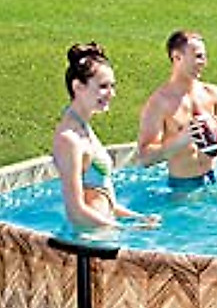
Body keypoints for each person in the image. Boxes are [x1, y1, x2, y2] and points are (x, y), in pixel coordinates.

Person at [53, 43, 158, 231]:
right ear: (78, 86)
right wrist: (125, 230)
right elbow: (75, 212)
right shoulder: (69, 140)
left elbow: (103, 198)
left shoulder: (83, 128)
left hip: (103, 232)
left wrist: (138, 218)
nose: (112, 94)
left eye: (112, 86)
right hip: (89, 240)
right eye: (103, 86)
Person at [136, 29, 217, 187]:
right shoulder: (159, 103)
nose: (204, 62)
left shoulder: (212, 93)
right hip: (184, 188)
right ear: (177, 57)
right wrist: (181, 140)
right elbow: (145, 158)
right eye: (198, 56)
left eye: (204, 57)